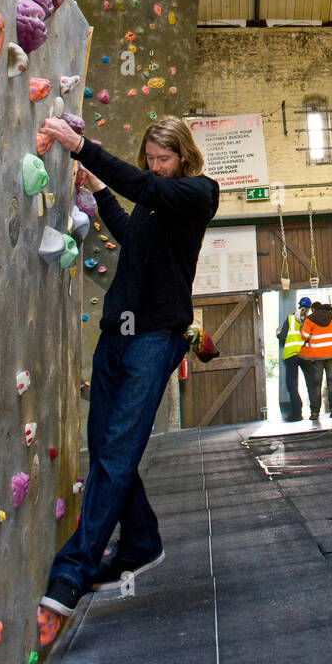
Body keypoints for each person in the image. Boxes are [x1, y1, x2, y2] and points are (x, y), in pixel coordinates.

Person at [39, 116, 219, 616]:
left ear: (183, 157)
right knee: (105, 447)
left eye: (164, 159)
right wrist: (98, 190)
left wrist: (82, 148)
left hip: (156, 338)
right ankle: (140, 541)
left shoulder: (198, 193)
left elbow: (144, 187)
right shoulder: (152, 204)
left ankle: (71, 572)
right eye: (150, 159)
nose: (155, 166)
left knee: (118, 451)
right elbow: (127, 231)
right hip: (116, 335)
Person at [299, 298, 332, 421]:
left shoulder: (310, 319)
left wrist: (302, 327)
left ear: (313, 309)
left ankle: (315, 412)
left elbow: (304, 336)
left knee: (316, 384)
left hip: (317, 356)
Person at [277, 300, 310, 421]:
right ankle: (314, 413)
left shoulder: (290, 318)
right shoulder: (309, 320)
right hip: (305, 355)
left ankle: (297, 413)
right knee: (311, 383)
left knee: (292, 384)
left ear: (299, 306)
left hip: (291, 355)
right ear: (309, 308)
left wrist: (278, 332)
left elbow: (282, 336)